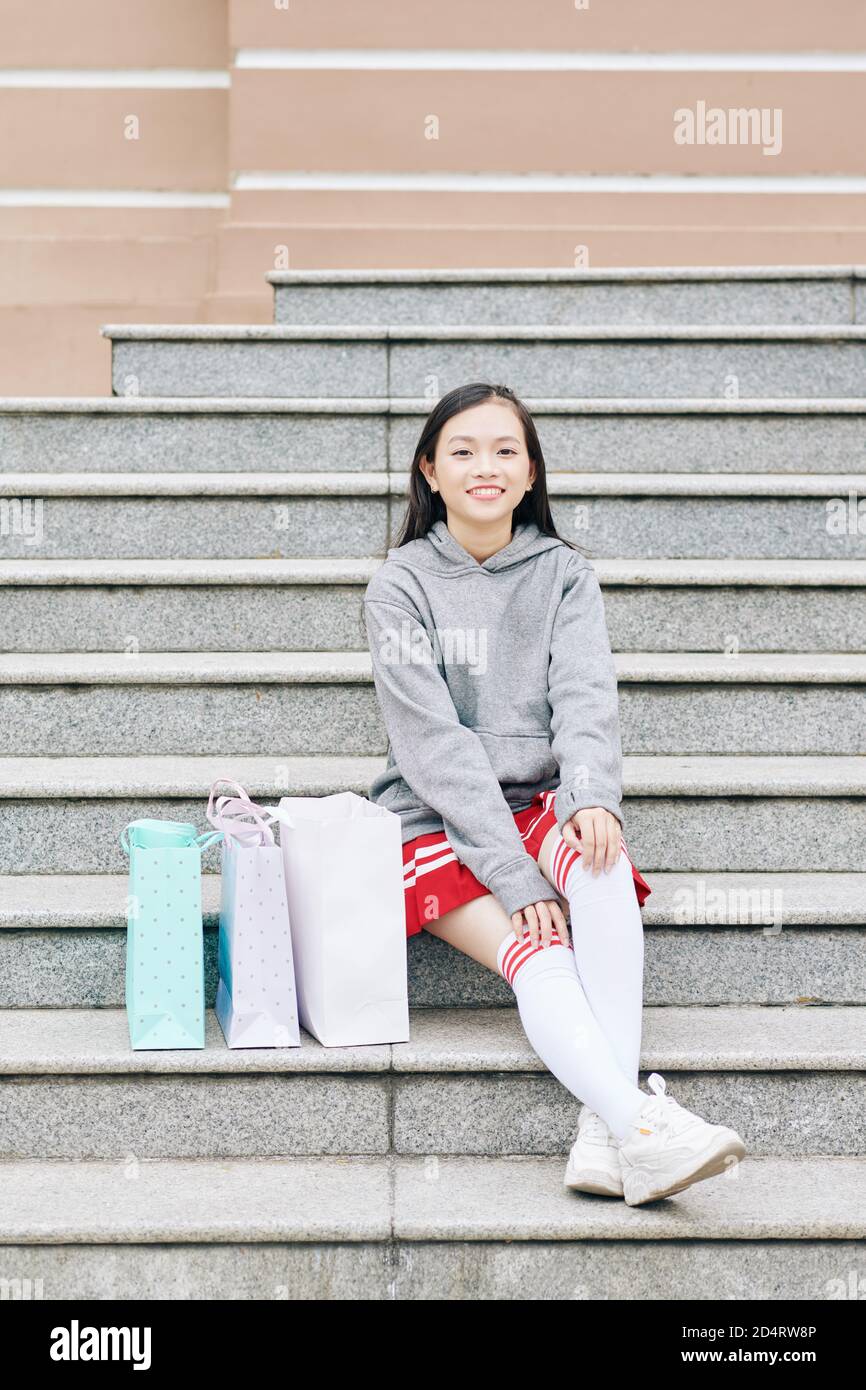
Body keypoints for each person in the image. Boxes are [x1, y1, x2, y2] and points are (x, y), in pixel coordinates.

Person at [363, 381, 745, 1206]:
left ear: (531, 470)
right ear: (430, 471)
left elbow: (584, 697)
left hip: (540, 800)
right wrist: (514, 872)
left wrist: (593, 797)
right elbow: (433, 745)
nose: (485, 467)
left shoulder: (563, 574)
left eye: (505, 450)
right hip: (434, 815)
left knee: (602, 862)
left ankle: (606, 1137)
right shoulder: (398, 585)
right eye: (462, 451)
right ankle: (640, 1124)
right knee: (538, 944)